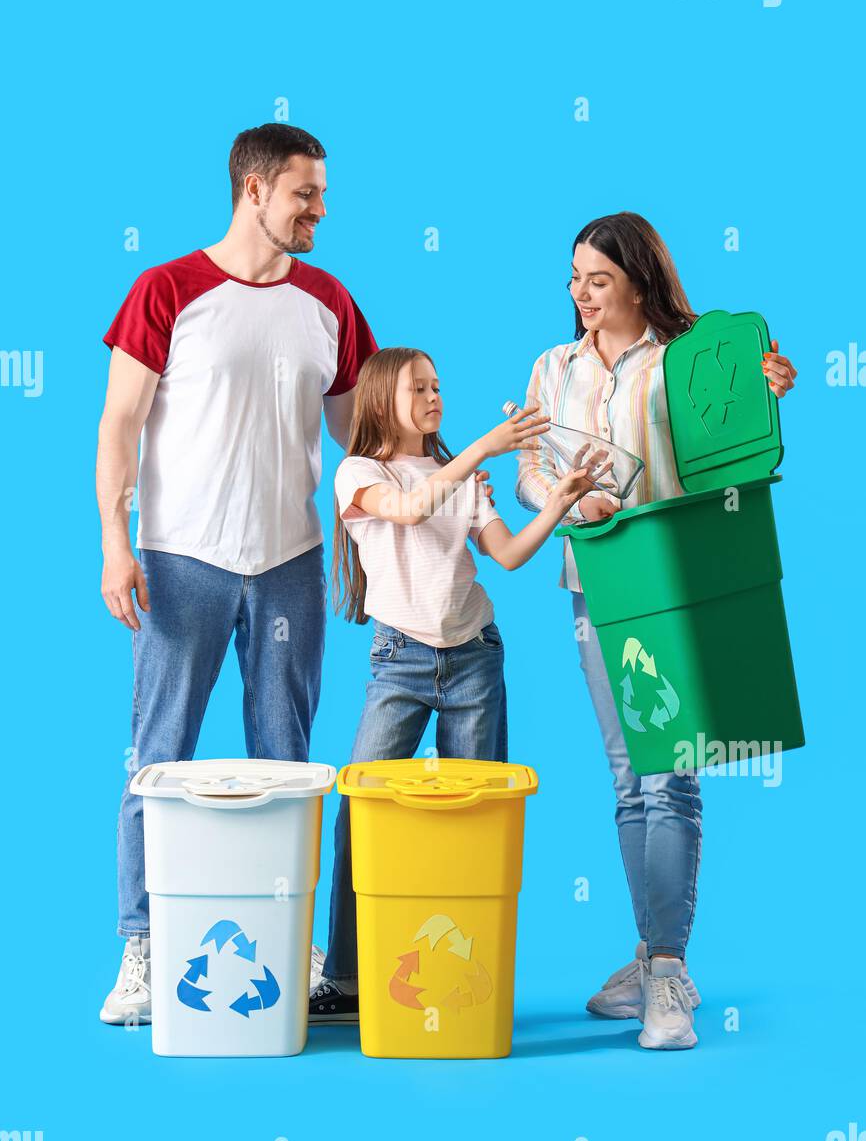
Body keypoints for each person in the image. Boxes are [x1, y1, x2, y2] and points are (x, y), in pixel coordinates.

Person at [95, 123, 381, 1025]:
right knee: (157, 757)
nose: (320, 210)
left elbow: (361, 434)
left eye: (323, 194)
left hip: (288, 559)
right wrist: (115, 539)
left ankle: (289, 943)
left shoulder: (329, 301)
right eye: (307, 193)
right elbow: (118, 426)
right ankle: (142, 949)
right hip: (183, 560)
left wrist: (443, 478)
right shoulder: (166, 290)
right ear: (254, 190)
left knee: (288, 764)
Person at [516, 212, 797, 1051]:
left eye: (598, 281)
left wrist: (764, 384)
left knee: (671, 772)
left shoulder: (684, 359)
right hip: (594, 584)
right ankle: (649, 956)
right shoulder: (552, 367)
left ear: (639, 280)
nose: (581, 296)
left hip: (678, 584)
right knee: (627, 774)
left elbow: (735, 441)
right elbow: (530, 472)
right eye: (573, 280)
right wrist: (564, 499)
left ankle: (670, 973)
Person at [309, 346, 609, 1021]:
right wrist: (482, 449)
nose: (435, 396)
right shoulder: (360, 472)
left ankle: (467, 973)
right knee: (361, 812)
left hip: (475, 657)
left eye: (439, 385)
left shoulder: (459, 476)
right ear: (384, 398)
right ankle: (350, 978)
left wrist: (558, 502)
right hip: (400, 661)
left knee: (476, 825)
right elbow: (410, 510)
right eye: (421, 387)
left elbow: (505, 555)